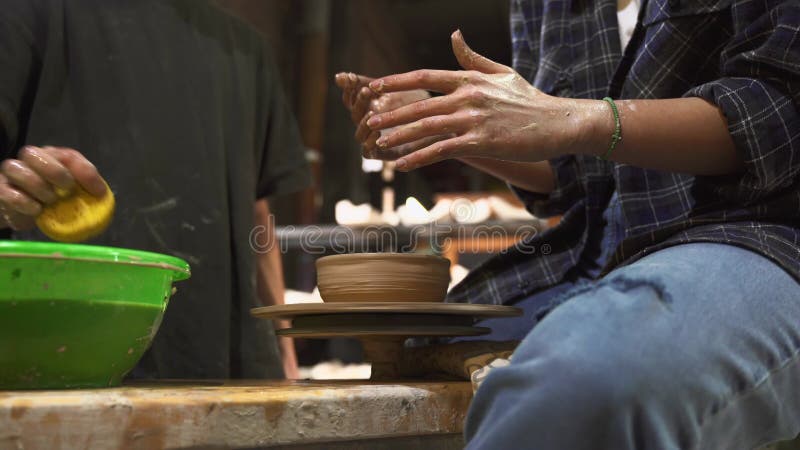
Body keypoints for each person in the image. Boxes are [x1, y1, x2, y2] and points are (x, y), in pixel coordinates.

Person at [336, 0, 800, 448]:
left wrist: (577, 119)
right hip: (594, 250)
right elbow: (572, 176)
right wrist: (439, 124)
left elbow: (779, 117)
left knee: (586, 378)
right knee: (412, 365)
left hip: (757, 233)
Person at [0, 0, 310, 380]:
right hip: (67, 358)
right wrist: (13, 194)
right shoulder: (28, 14)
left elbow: (257, 210)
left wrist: (284, 351)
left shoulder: (246, 48)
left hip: (229, 370)